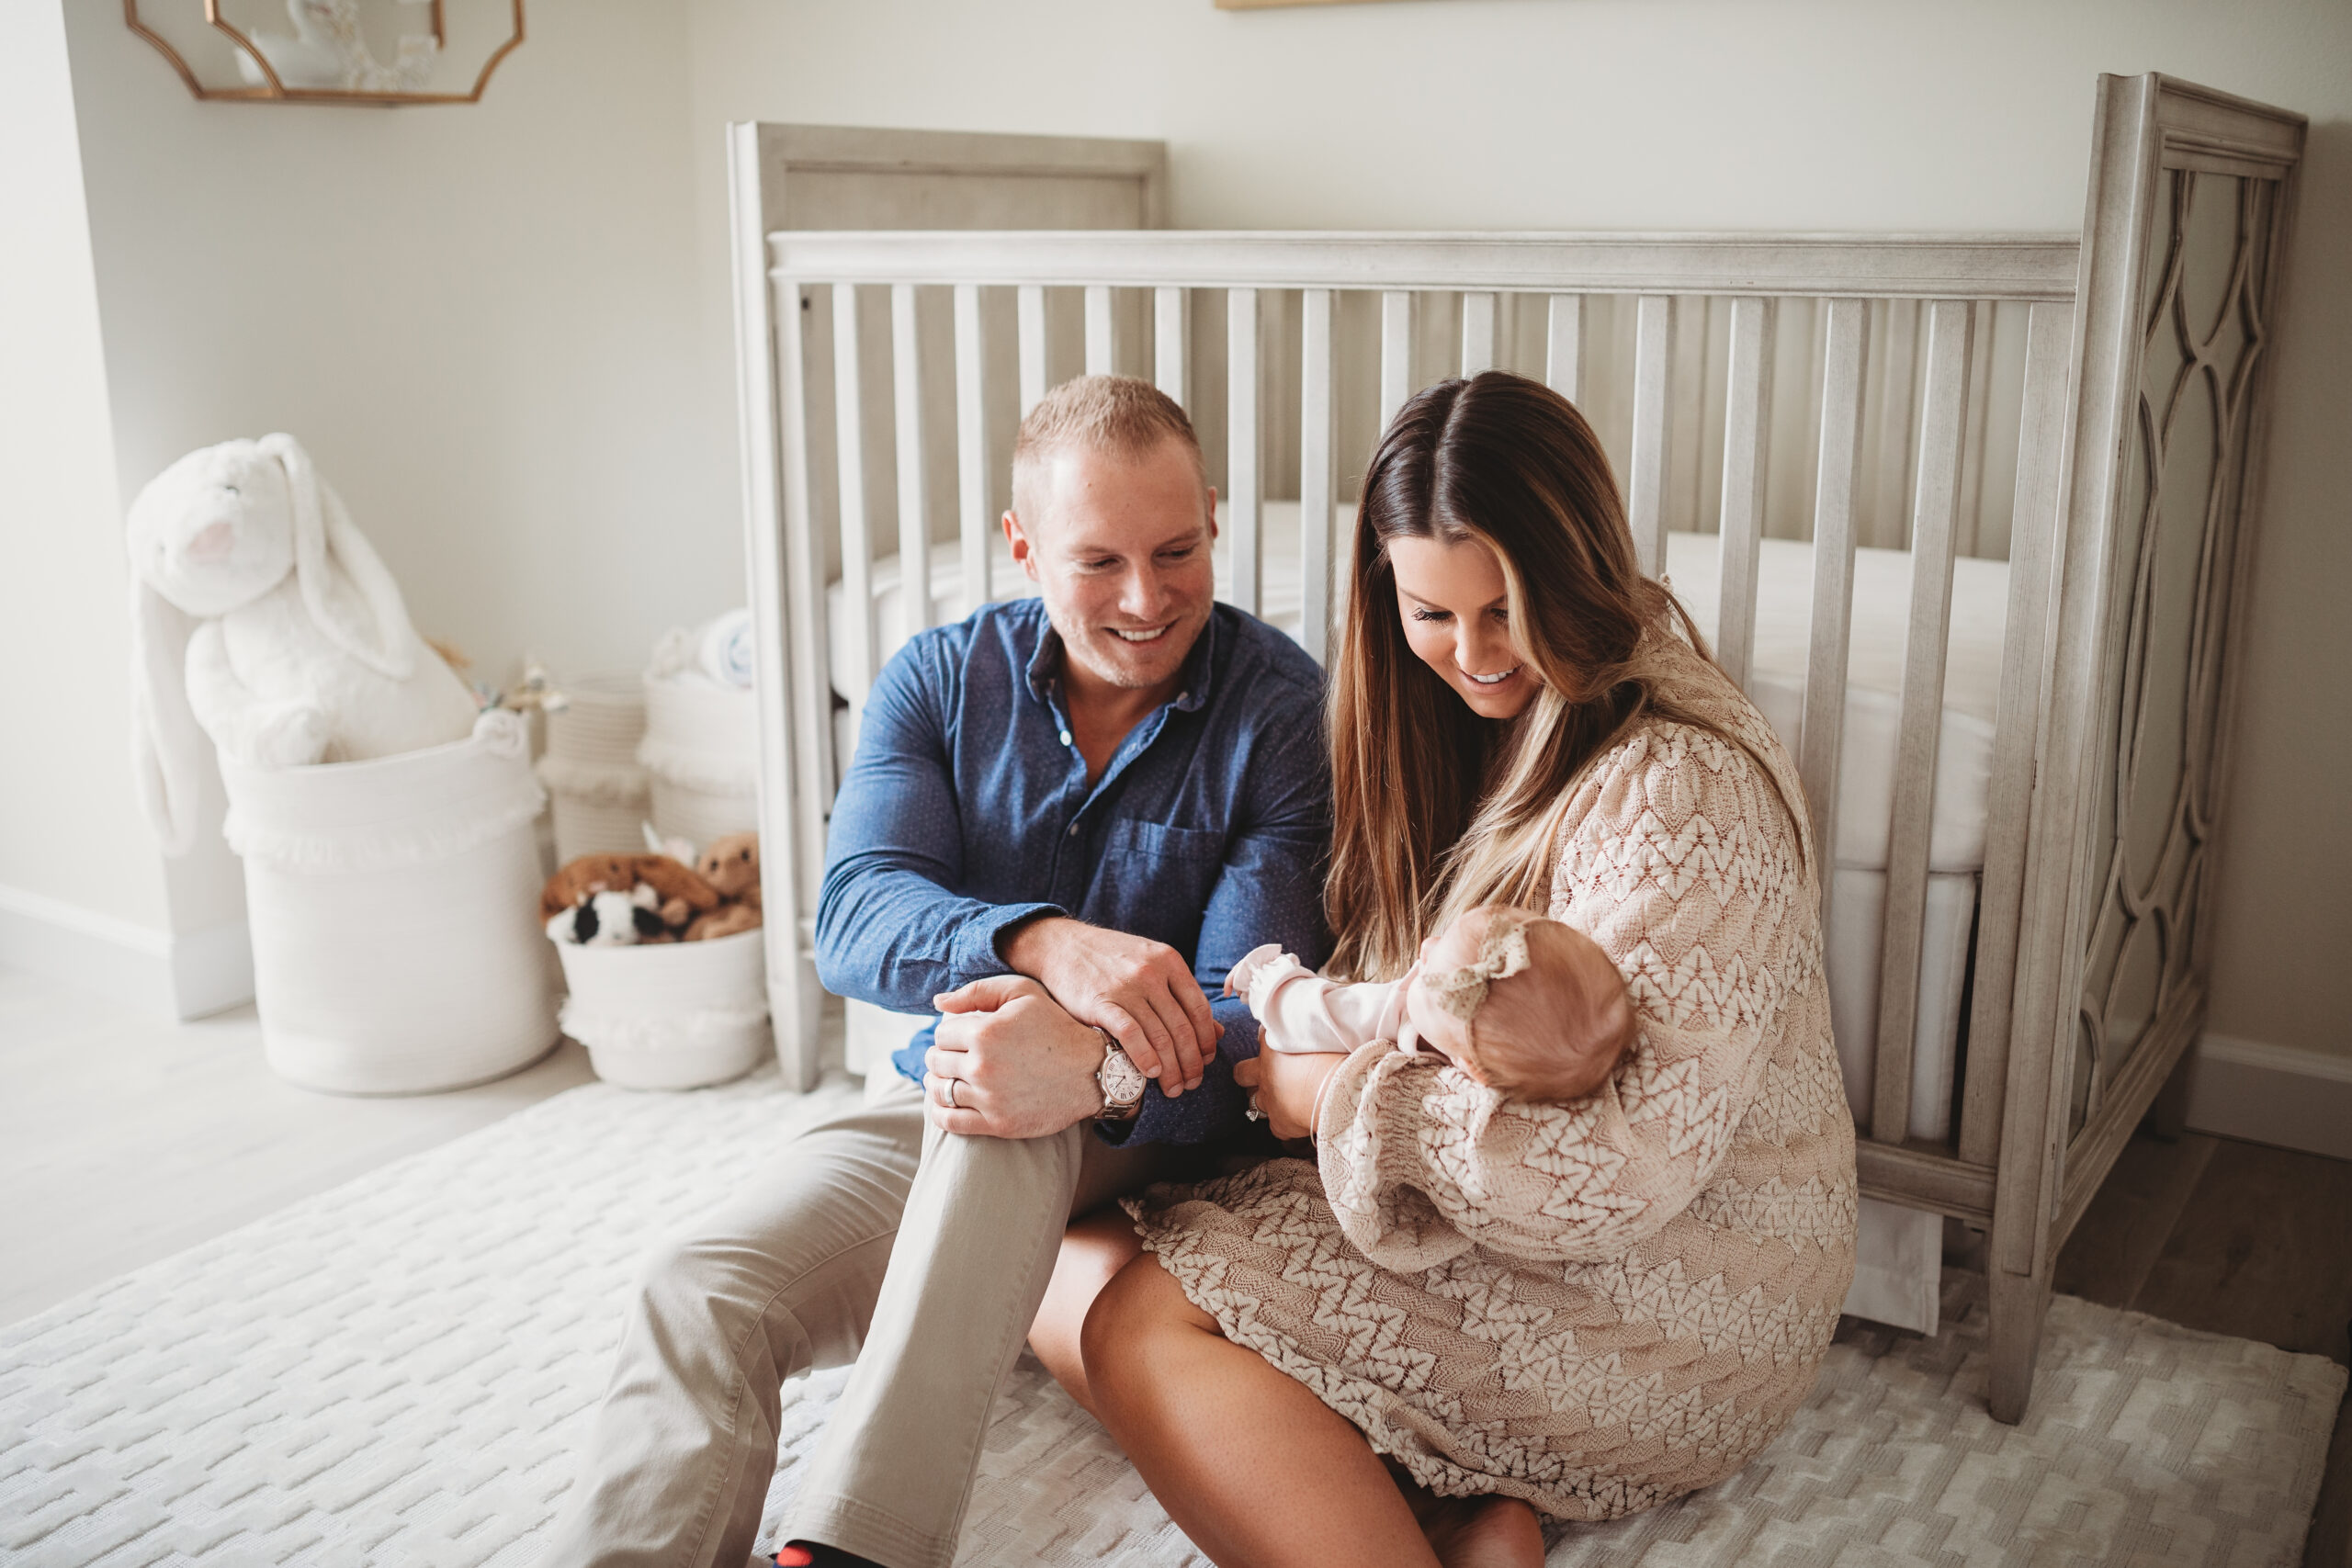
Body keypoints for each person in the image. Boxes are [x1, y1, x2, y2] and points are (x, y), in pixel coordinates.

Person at [1030, 371, 1857, 1568]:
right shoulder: (1466, 722)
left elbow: (1620, 1171)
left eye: (1503, 611)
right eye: (1431, 613)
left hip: (1677, 1289)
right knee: (1062, 1264)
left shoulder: (1678, 786)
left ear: (1574, 577)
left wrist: (1341, 1098)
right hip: (1500, 1213)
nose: (1471, 656)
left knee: (1143, 1326)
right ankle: (1450, 1523)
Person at [540, 375, 1329, 1568]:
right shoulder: (936, 680)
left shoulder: (1282, 714)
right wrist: (1044, 940)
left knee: (1002, 1070)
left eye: (1177, 549)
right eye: (1097, 560)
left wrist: (1082, 1057)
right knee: (698, 1285)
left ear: (1214, 517)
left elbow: (1249, 1022)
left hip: (1162, 1137)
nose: (1145, 596)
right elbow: (854, 917)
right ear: (1021, 548)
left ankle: (857, 1547)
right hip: (950, 1095)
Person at [1228, 902, 1639, 1105]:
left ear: (1473, 1070)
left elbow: (1307, 1012)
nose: (1426, 945)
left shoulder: (1395, 1018)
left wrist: (1265, 976)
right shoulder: (1478, 1051)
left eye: (1428, 972)